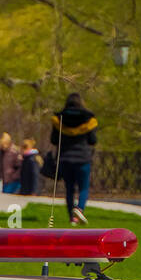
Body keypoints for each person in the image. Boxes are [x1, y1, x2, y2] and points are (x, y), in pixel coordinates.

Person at [49, 93, 99, 224]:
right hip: (83, 158)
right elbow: (93, 140)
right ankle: (79, 210)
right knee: (83, 187)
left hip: (65, 158)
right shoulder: (88, 119)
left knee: (69, 188)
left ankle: (72, 218)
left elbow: (54, 140)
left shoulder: (59, 118)